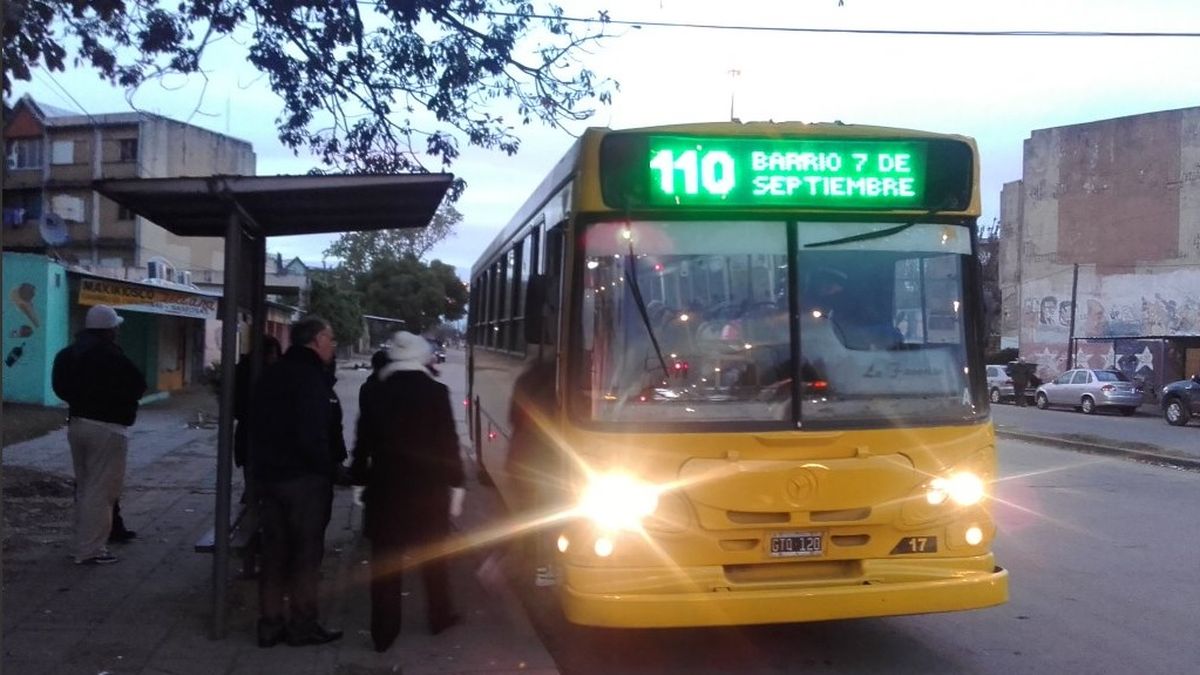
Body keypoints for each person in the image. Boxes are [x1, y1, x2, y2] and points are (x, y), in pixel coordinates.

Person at [349, 331, 466, 653]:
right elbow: (448, 442)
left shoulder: (374, 391)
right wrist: (456, 482)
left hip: (386, 490)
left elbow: (363, 443)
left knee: (385, 565)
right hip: (428, 493)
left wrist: (359, 480)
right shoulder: (436, 392)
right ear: (420, 356)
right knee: (434, 560)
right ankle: (439, 616)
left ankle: (383, 633)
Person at [250, 316, 345, 647]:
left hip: (269, 478)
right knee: (306, 555)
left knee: (274, 553)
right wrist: (331, 469)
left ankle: (269, 623)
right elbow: (312, 436)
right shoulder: (311, 379)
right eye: (330, 339)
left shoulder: (273, 373)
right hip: (303, 482)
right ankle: (303, 625)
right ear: (317, 339)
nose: (333, 346)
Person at [51, 305, 147, 565]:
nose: (117, 331)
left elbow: (60, 388)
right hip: (108, 429)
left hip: (78, 424)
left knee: (84, 487)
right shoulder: (112, 356)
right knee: (101, 491)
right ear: (108, 330)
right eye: (115, 327)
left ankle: (81, 543)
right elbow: (138, 385)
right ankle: (91, 550)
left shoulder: (68, 355)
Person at [233, 335, 283, 498]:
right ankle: (252, 490)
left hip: (261, 426)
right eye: (271, 354)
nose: (274, 358)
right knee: (251, 459)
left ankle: (256, 490)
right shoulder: (249, 370)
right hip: (252, 425)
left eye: (276, 354)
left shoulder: (277, 372)